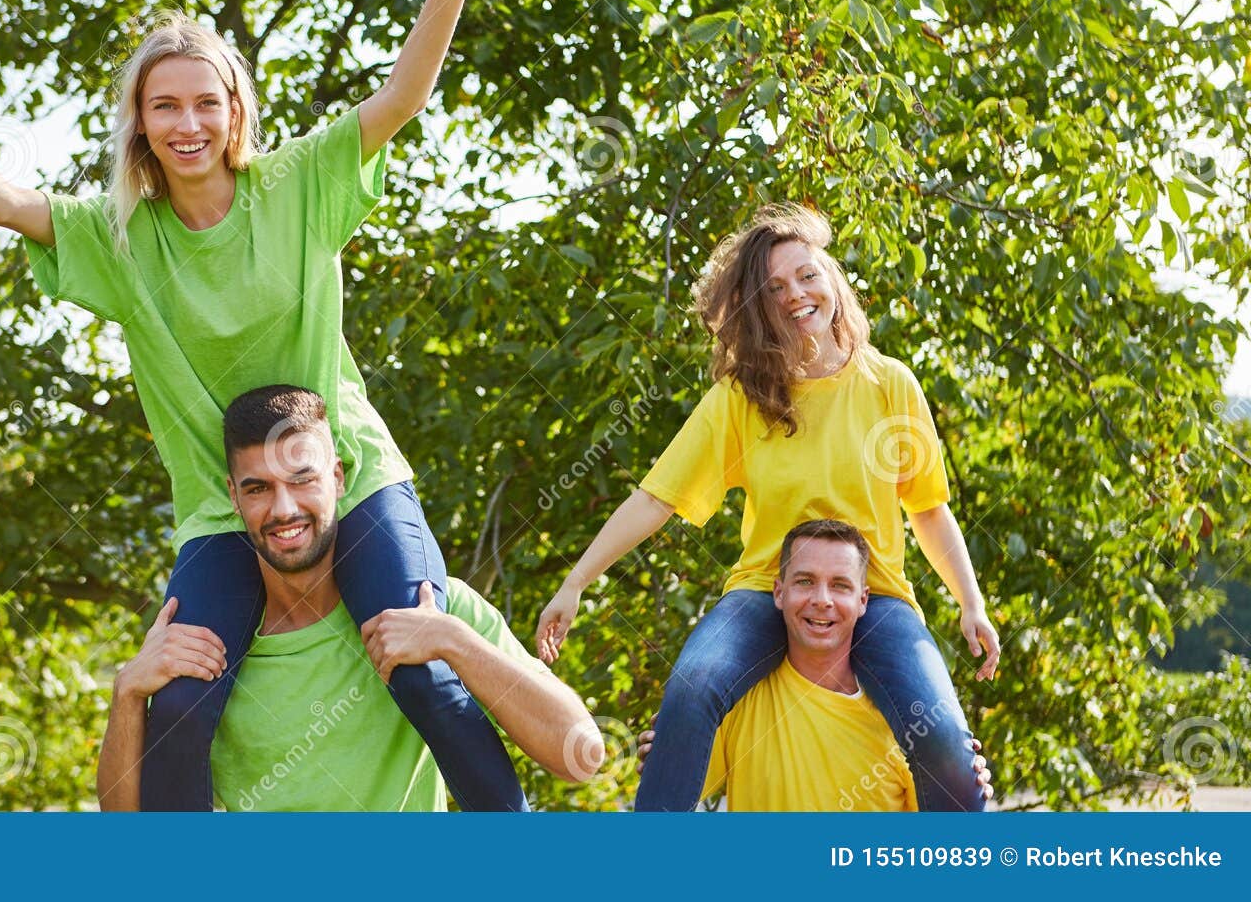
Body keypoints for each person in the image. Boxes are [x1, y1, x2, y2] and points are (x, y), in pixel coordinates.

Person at [0, 0, 527, 811]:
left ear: (235, 110)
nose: (188, 121)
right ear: (141, 126)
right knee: (183, 701)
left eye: (207, 101)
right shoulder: (120, 239)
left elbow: (401, 98)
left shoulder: (299, 185)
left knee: (415, 662)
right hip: (217, 510)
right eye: (166, 106)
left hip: (353, 481)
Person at [536, 202, 1000, 811]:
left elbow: (929, 509)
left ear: (832, 276)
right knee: (694, 686)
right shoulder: (743, 397)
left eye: (807, 274)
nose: (796, 295)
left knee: (944, 743)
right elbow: (655, 497)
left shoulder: (890, 385)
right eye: (775, 288)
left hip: (877, 595)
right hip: (765, 589)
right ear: (760, 308)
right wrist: (576, 582)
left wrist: (971, 602)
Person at [96, 385, 601, 810]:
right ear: (233, 497)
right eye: (258, 489)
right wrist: (128, 694)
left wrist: (455, 642)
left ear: (337, 478)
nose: (284, 508)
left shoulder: (429, 611)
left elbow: (580, 755)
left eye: (303, 480)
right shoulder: (204, 647)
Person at [635, 520, 994, 811]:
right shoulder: (737, 700)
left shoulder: (908, 722)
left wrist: (960, 771)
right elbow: (673, 786)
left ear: (863, 600)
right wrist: (665, 746)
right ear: (779, 592)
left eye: (840, 586)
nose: (821, 600)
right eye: (805, 581)